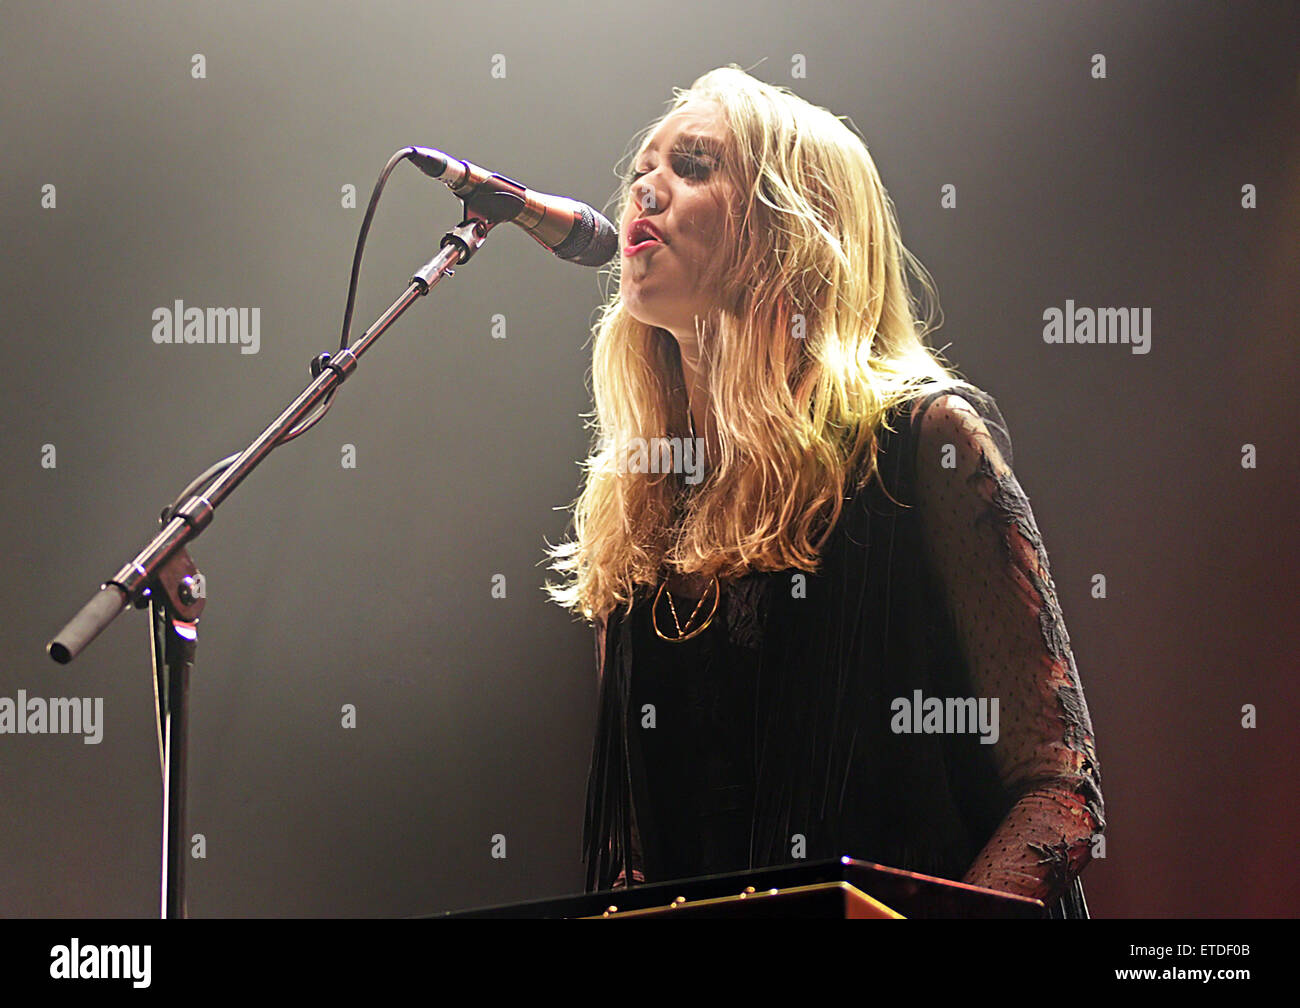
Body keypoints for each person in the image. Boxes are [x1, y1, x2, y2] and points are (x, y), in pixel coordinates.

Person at [544, 66, 1104, 918]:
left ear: (794, 230)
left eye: (693, 166)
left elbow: (1059, 792)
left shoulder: (921, 445)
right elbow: (643, 851)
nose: (644, 188)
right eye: (641, 171)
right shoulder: (642, 506)